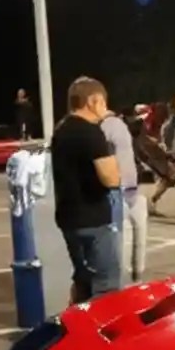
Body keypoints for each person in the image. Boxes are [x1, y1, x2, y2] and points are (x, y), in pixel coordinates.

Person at [51, 77, 122, 303]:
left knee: (83, 280)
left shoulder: (61, 130)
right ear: (93, 101)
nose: (105, 108)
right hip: (94, 220)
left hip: (69, 219)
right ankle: (97, 333)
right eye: (103, 102)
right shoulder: (92, 133)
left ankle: (75, 327)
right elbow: (111, 179)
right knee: (106, 285)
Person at [101, 109, 146, 282]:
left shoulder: (108, 128)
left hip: (125, 190)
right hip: (125, 191)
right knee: (132, 241)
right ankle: (134, 281)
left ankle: (132, 282)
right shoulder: (108, 128)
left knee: (129, 241)